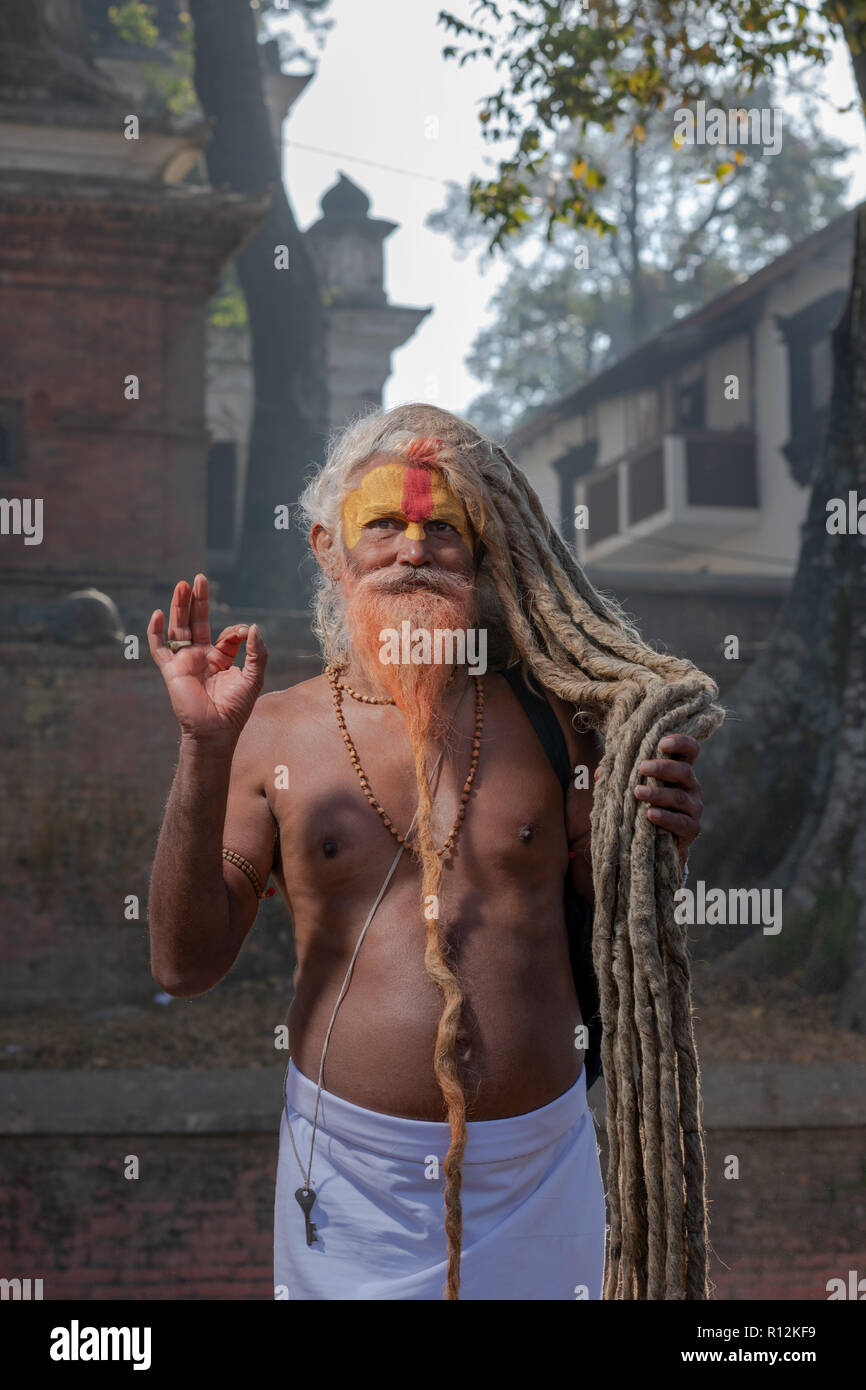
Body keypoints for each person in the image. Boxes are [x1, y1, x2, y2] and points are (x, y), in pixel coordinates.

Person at [147, 403, 717, 1301]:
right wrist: (203, 748)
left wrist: (659, 835)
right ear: (328, 549)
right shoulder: (271, 731)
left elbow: (621, 929)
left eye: (440, 527)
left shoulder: (562, 722)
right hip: (348, 1182)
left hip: (540, 1171)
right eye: (383, 525)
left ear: (483, 554)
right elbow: (182, 964)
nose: (412, 550)